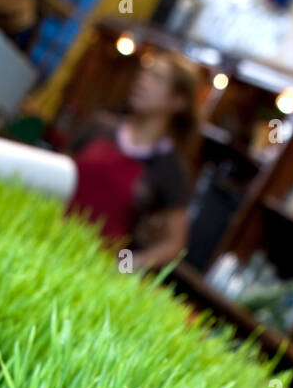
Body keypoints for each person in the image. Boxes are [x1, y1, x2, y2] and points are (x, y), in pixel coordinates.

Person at [65, 50, 198, 272]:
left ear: (177, 101)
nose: (142, 80)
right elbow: (56, 174)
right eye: (145, 72)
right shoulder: (99, 127)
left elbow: (174, 243)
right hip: (48, 237)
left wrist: (126, 266)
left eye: (157, 78)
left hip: (94, 267)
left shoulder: (171, 169)